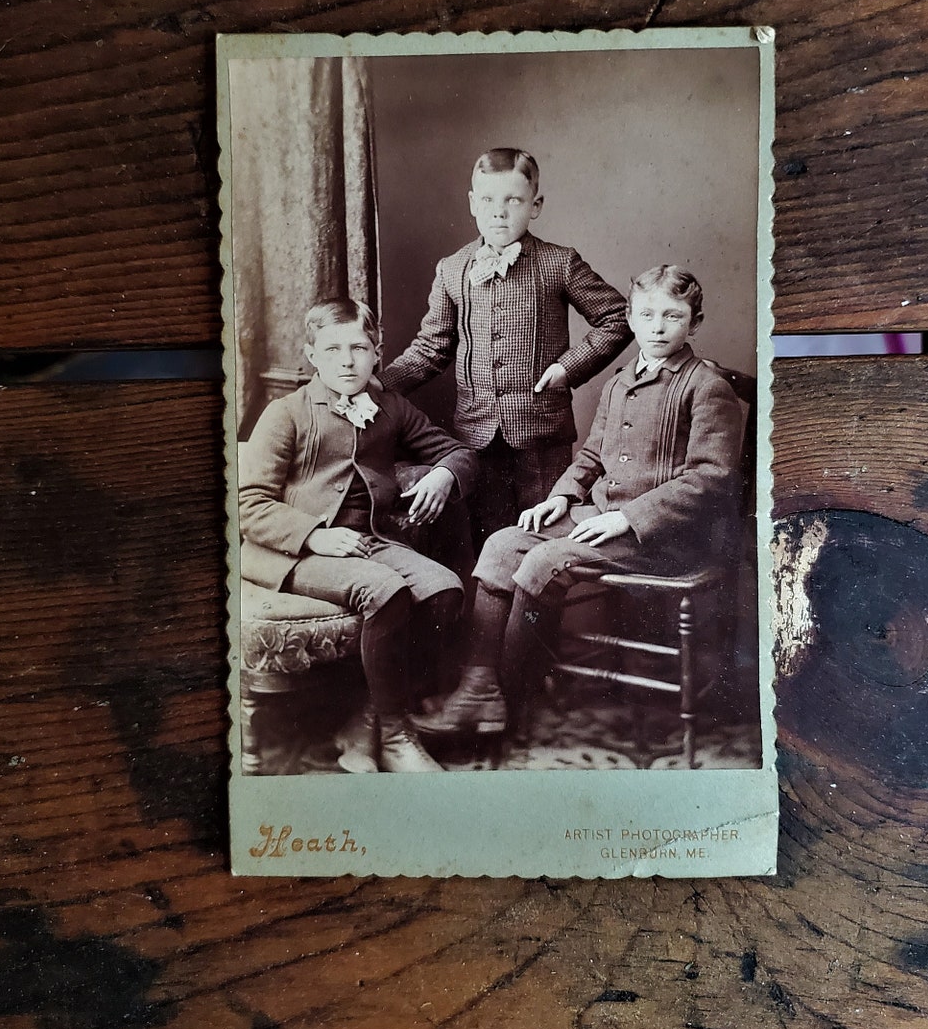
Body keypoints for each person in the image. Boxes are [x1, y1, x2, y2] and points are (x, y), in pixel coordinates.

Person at [413, 266, 747, 737]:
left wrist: (627, 519)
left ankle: (509, 694)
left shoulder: (706, 387)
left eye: (673, 316)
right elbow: (591, 455)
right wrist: (561, 497)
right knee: (504, 544)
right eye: (647, 314)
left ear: (694, 323)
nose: (657, 327)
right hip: (600, 519)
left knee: (547, 560)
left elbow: (711, 478)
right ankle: (479, 689)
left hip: (663, 537)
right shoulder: (618, 381)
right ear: (629, 319)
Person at [239, 298, 477, 772]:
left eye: (358, 348)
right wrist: (312, 537)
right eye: (331, 350)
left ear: (377, 352)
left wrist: (444, 475)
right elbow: (249, 503)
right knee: (385, 591)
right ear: (311, 355)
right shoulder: (286, 413)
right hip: (291, 552)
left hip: (367, 540)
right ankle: (395, 736)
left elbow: (458, 451)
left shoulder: (390, 407)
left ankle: (362, 719)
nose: (346, 361)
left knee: (445, 590)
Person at [381, 148, 631, 549]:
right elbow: (431, 348)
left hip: (541, 432)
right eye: (488, 200)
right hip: (475, 434)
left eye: (513, 200)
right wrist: (377, 386)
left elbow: (618, 316)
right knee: (489, 540)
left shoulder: (558, 262)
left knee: (544, 538)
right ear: (471, 203)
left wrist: (568, 367)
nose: (499, 212)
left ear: (536, 205)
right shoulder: (452, 268)